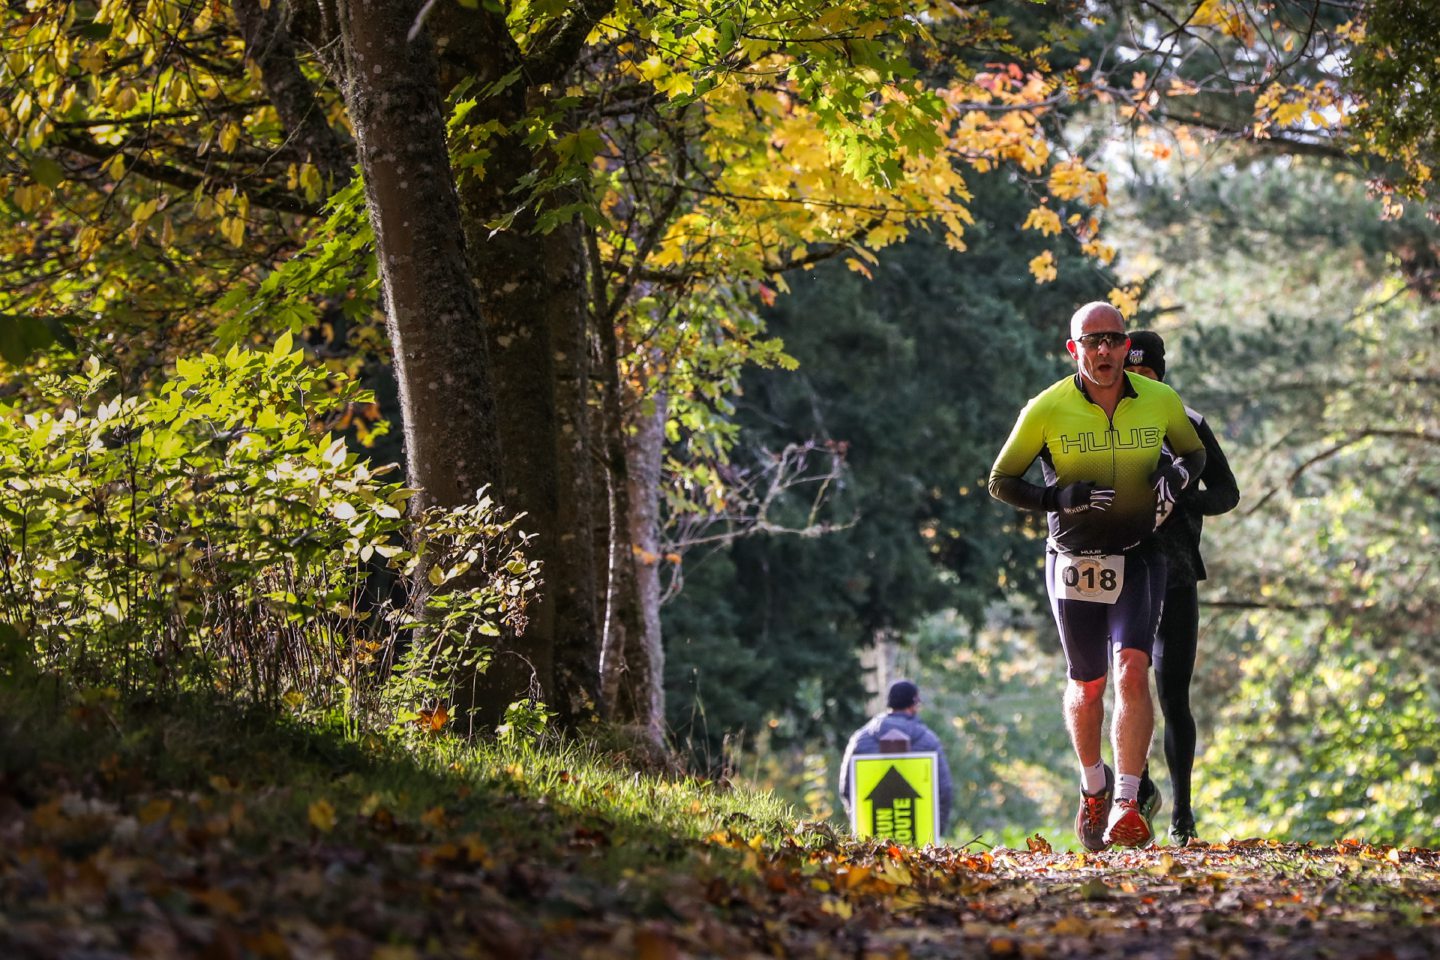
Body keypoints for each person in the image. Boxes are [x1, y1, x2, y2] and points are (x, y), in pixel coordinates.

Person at [987, 302, 1206, 850]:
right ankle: (1094, 787)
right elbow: (1000, 480)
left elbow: (1196, 453)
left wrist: (1175, 478)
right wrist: (1056, 497)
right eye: (1092, 341)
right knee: (1088, 686)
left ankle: (1129, 803)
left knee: (1133, 670)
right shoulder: (1046, 407)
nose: (1103, 351)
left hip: (1138, 554)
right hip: (1074, 561)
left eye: (1112, 339)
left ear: (1125, 345)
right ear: (1074, 349)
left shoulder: (1160, 400)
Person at [1124, 331, 1240, 845]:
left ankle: (1184, 816)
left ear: (1162, 374)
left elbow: (1228, 493)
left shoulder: (1188, 423)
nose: (1140, 380)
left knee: (1174, 696)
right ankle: (1139, 788)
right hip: (1123, 574)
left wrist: (1183, 496)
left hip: (1176, 575)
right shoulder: (1108, 425)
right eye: (1133, 373)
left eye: (1149, 373)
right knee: (1128, 684)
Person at [838, 679, 953, 836]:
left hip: (872, 838)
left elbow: (846, 788)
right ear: (913, 705)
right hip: (919, 836)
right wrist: (935, 831)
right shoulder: (929, 740)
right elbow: (944, 791)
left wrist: (859, 826)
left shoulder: (860, 739)